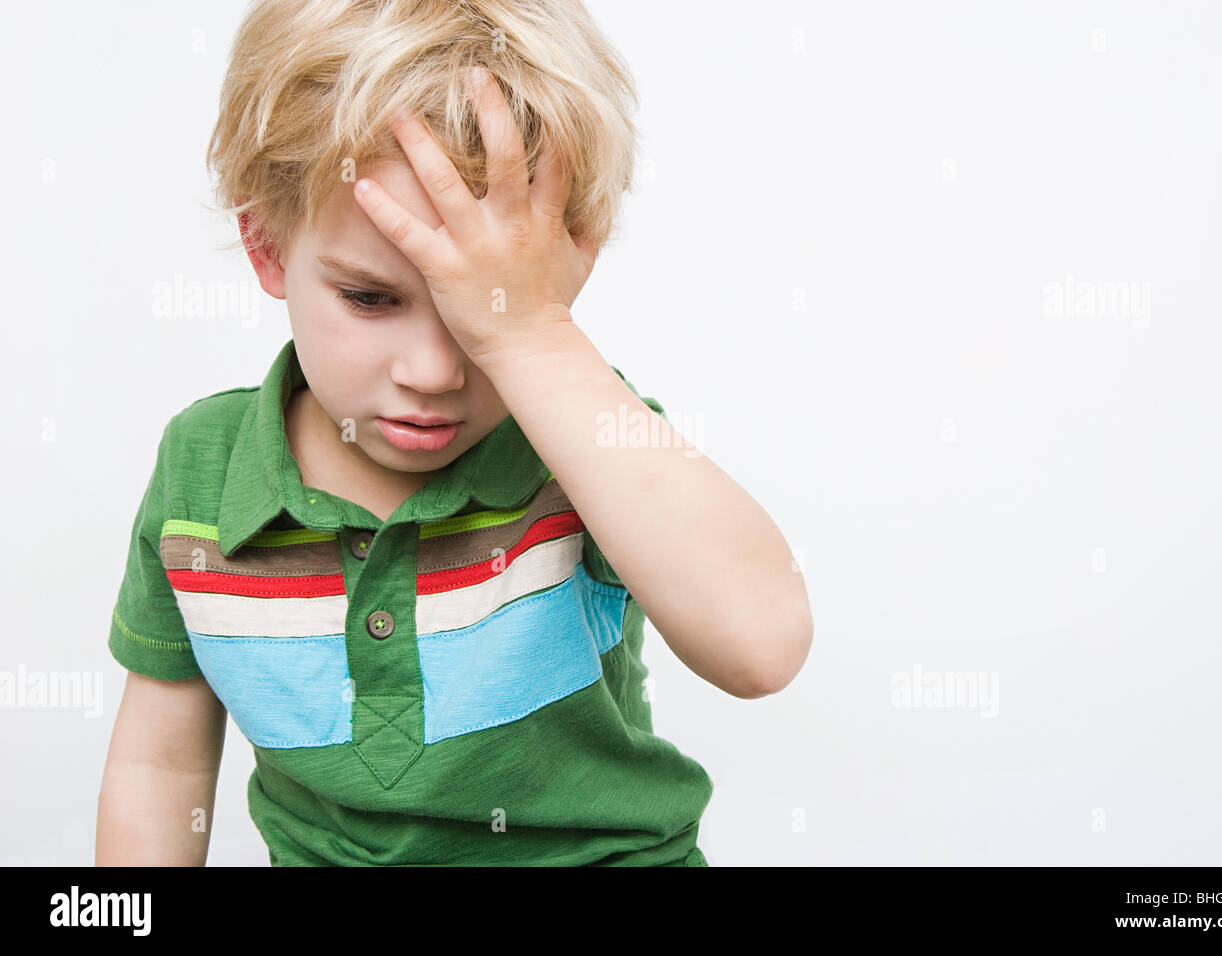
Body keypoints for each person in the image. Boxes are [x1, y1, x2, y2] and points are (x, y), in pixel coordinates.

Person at [96, 0, 813, 867]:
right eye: (371, 299)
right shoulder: (199, 473)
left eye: (484, 310)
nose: (434, 370)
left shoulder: (579, 436)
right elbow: (159, 767)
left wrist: (533, 338)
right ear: (268, 246)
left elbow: (762, 645)